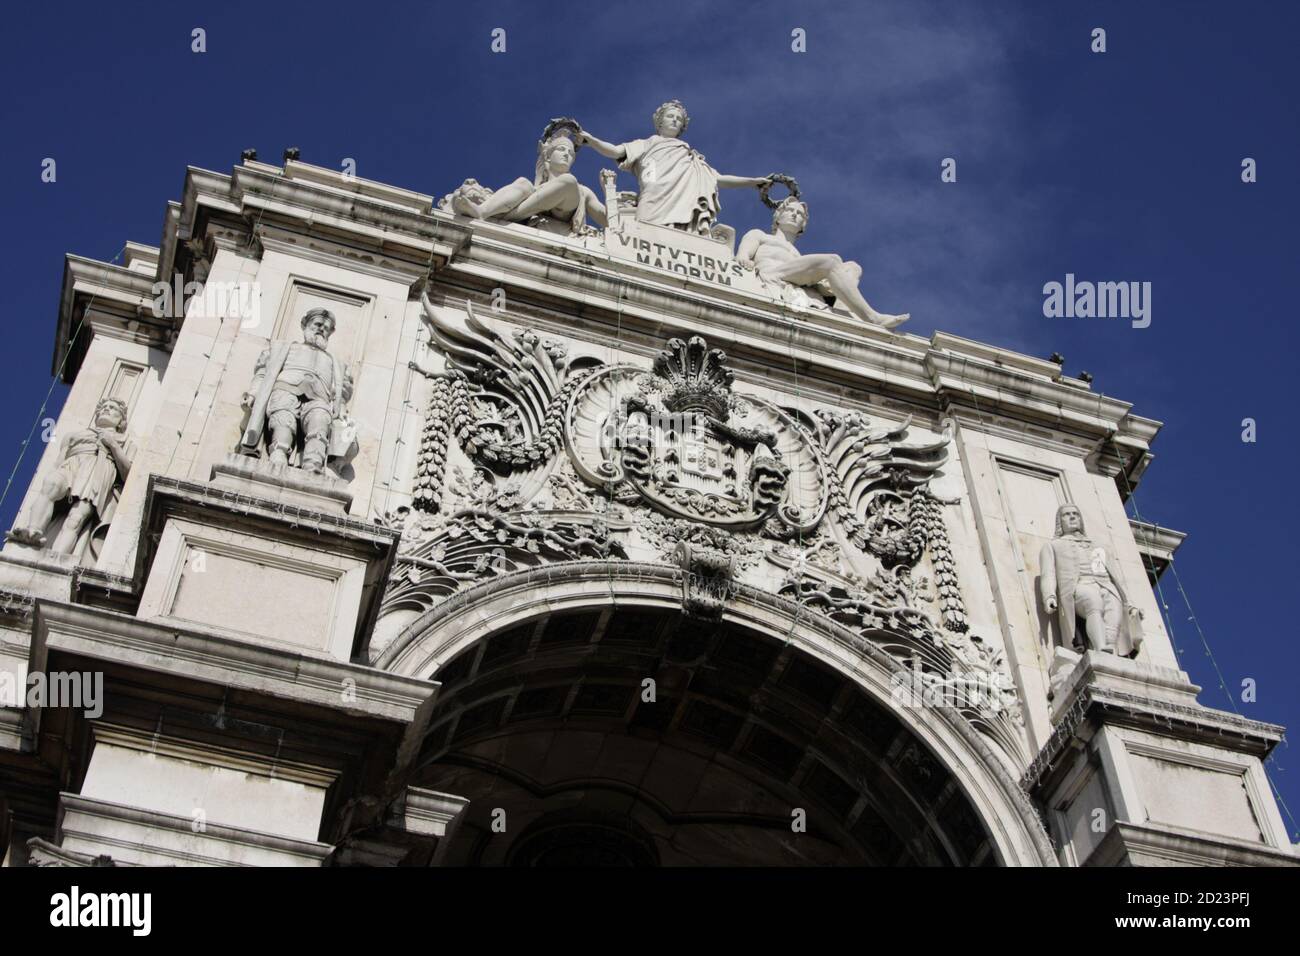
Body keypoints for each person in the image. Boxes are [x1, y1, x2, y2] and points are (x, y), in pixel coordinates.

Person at [579, 100, 771, 235]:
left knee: (682, 233)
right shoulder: (646, 143)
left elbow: (717, 178)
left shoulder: (689, 155)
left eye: (678, 119)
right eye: (670, 116)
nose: (674, 120)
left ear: (682, 127)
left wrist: (752, 182)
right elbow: (615, 151)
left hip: (684, 197)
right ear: (659, 120)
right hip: (654, 193)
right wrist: (591, 140)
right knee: (643, 228)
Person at [737, 197, 910, 329]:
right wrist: (744, 259)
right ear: (778, 217)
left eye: (800, 214)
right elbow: (743, 256)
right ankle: (872, 317)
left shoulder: (797, 255)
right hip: (772, 276)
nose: (795, 215)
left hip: (798, 283)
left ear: (803, 225)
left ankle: (847, 317)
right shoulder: (760, 235)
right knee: (832, 261)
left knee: (852, 267)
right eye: (789, 210)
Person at [9, 397, 132, 554]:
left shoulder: (125, 440)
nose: (106, 409)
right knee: (51, 484)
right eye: (103, 407)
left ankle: (58, 556)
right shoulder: (73, 435)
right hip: (72, 463)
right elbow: (58, 462)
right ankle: (32, 530)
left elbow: (129, 473)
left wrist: (113, 445)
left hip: (98, 469)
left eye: (112, 408)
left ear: (121, 420)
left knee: (76, 518)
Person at [241, 308, 355, 474]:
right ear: (304, 325)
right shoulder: (283, 348)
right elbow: (263, 373)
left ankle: (313, 463)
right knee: (284, 417)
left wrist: (342, 409)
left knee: (320, 419)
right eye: (317, 324)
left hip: (319, 399)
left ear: (331, 333)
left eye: (326, 327)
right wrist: (252, 394)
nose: (321, 329)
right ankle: (279, 453)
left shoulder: (336, 363)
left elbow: (341, 393)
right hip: (285, 389)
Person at [1039, 503, 1143, 657]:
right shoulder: (1053, 546)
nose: (1072, 516)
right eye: (1066, 514)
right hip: (1080, 585)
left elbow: (1114, 576)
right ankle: (1100, 647)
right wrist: (1049, 596)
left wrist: (1130, 604)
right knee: (1092, 602)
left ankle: (1110, 655)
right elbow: (1048, 574)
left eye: (1076, 513)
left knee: (1113, 619)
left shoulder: (1096, 545)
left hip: (1105, 585)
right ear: (1060, 522)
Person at [448, 134, 606, 234]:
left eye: (571, 153)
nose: (567, 154)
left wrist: (609, 191)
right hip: (533, 202)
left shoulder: (581, 189)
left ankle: (507, 216)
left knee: (568, 182)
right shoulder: (532, 188)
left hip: (564, 209)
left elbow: (604, 217)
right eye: (562, 149)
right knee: (524, 182)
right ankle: (483, 211)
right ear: (548, 157)